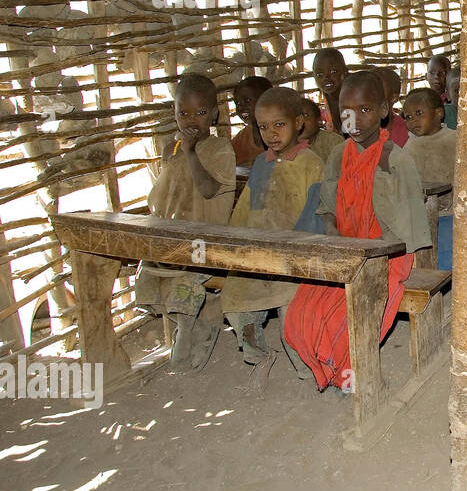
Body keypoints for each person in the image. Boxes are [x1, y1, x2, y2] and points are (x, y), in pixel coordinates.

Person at [283, 71, 431, 392]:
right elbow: (326, 209)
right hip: (346, 249)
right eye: (346, 110)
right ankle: (326, 365)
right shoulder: (338, 155)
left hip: (387, 254)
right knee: (303, 309)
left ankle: (351, 375)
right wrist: (336, 238)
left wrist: (369, 253)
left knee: (352, 310)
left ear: (383, 110)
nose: (355, 118)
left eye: (365, 109)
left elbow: (408, 229)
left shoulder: (396, 160)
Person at [218, 87, 324, 385]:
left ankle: (309, 370)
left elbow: (313, 214)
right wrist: (234, 243)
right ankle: (259, 355)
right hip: (256, 256)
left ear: (299, 123)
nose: (271, 133)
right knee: (236, 302)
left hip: (293, 257)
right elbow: (245, 210)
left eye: (279, 124)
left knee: (292, 321)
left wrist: (296, 253)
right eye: (263, 127)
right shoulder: (261, 165)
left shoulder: (310, 163)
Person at [136, 73, 236, 367]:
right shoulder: (173, 150)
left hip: (209, 237)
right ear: (174, 114)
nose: (192, 120)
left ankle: (201, 322)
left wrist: (191, 152)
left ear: (215, 115)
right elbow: (161, 197)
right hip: (178, 235)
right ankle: (187, 322)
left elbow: (207, 191)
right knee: (151, 266)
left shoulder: (221, 149)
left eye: (201, 113)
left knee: (188, 270)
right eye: (184, 113)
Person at [404, 87, 456, 270]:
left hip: (450, 212)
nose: (413, 120)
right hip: (418, 214)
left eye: (419, 113)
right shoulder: (409, 147)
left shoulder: (454, 140)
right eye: (408, 116)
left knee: (446, 254)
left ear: (439, 113)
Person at [231, 76, 272, 168]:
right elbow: (227, 161)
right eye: (237, 103)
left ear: (266, 100)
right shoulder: (243, 137)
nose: (241, 107)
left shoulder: (282, 133)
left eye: (247, 101)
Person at [311, 48, 348, 133]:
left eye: (333, 71)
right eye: (320, 74)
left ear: (345, 72)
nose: (326, 78)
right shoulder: (330, 95)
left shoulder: (352, 96)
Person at [301, 96, 343, 163]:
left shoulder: (333, 141)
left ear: (318, 120)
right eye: (295, 117)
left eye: (305, 115)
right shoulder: (286, 145)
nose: (300, 121)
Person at [374, 66, 410, 147]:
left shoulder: (405, 132)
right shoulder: (357, 127)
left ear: (394, 98)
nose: (371, 95)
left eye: (379, 90)